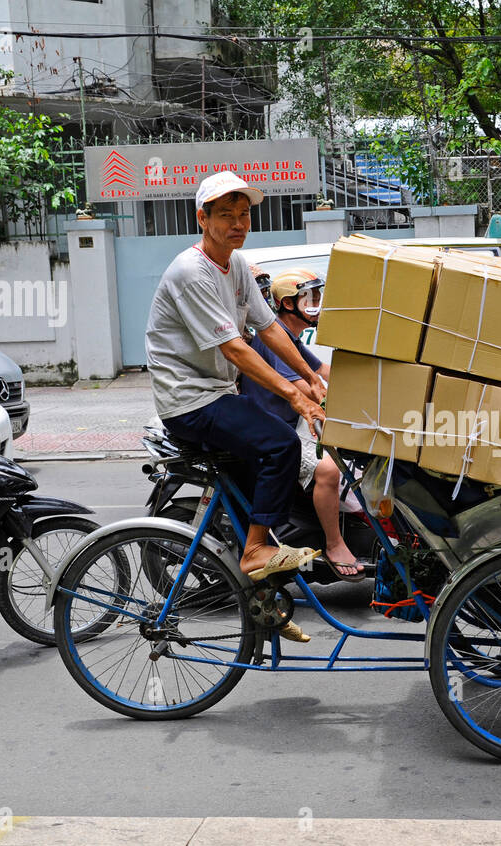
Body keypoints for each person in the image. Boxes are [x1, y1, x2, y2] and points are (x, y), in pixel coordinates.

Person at [145, 171, 327, 583]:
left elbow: (270, 329)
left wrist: (312, 376)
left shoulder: (238, 265)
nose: (239, 223)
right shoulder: (192, 272)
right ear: (202, 219)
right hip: (190, 402)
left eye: (244, 214)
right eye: (226, 214)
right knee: (282, 445)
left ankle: (262, 594)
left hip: (219, 395)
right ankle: (255, 552)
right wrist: (296, 396)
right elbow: (234, 348)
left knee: (256, 473)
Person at [242, 267, 364, 581]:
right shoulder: (274, 338)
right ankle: (335, 544)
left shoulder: (289, 338)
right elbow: (306, 389)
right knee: (328, 469)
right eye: (310, 298)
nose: (318, 303)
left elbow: (321, 370)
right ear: (286, 303)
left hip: (294, 420)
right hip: (279, 427)